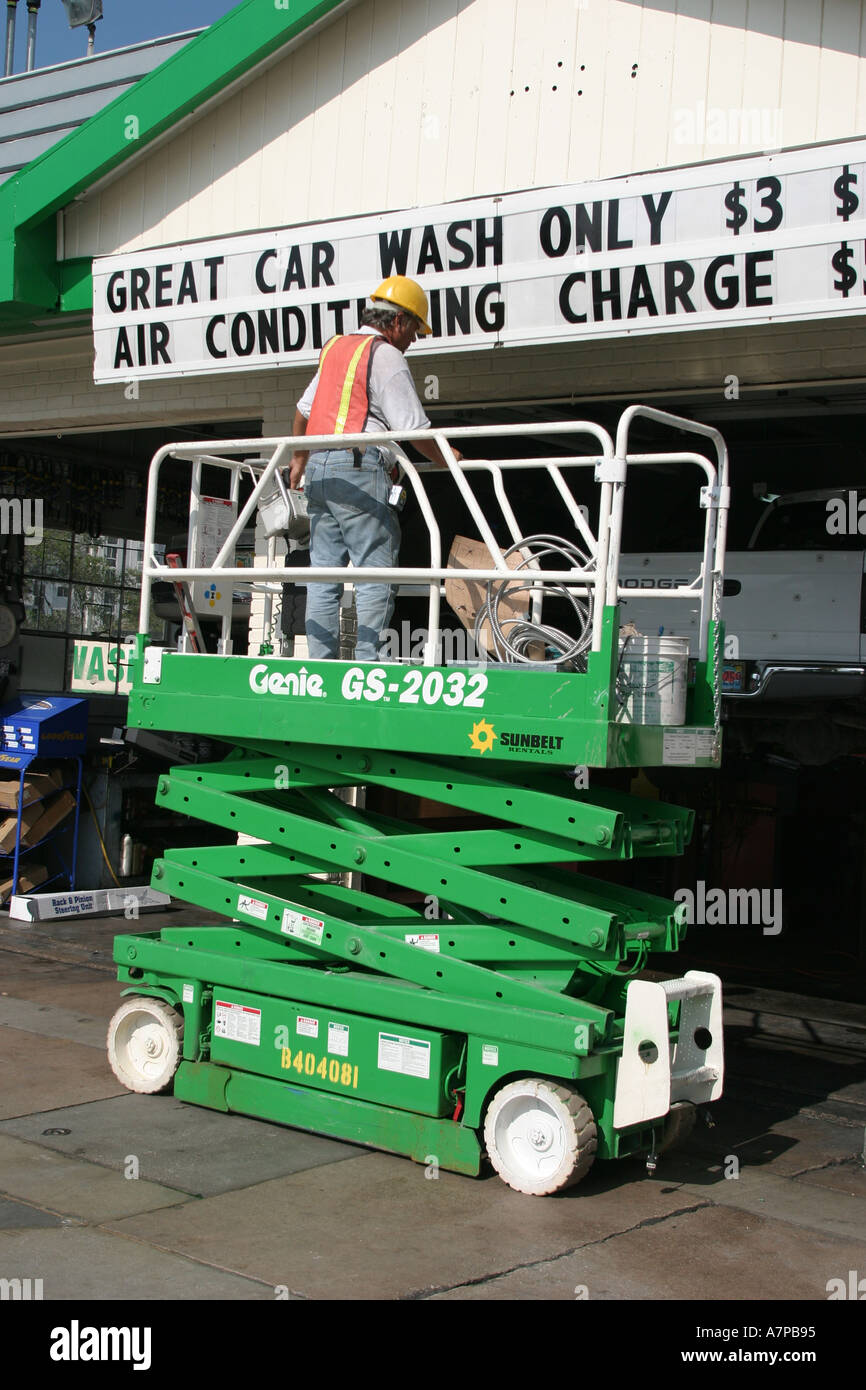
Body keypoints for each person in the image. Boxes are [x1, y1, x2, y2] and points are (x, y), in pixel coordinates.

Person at [289, 275, 461, 661]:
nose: (414, 339)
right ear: (398, 321)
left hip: (320, 469)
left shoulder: (336, 348)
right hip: (359, 466)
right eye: (415, 327)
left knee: (323, 575)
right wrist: (451, 459)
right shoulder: (385, 355)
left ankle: (322, 665)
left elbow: (302, 412)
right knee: (375, 572)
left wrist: (299, 458)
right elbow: (413, 430)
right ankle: (367, 665)